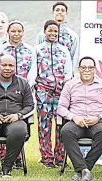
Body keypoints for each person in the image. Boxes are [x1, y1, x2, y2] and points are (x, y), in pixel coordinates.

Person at [0, 19, 38, 168]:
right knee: (2, 121)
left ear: (23, 33)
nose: (16, 34)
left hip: (22, 92)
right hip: (2, 91)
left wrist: (26, 87)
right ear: (8, 32)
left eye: (19, 31)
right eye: (13, 31)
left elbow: (33, 70)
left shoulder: (30, 50)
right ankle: (1, 157)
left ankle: (16, 158)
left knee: (19, 124)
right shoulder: (1, 49)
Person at [57, 56, 102, 181]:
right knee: (65, 131)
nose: (87, 70)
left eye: (90, 67)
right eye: (84, 67)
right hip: (76, 121)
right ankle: (84, 170)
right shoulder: (70, 85)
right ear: (79, 69)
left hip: (96, 122)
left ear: (95, 69)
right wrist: (74, 117)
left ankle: (82, 169)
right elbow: (61, 108)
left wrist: (98, 118)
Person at [34, 20, 73, 168]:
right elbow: (34, 69)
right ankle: (46, 158)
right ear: (44, 32)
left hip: (61, 93)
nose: (53, 33)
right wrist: (37, 86)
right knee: (44, 125)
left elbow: (68, 71)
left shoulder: (64, 50)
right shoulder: (37, 50)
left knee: (61, 126)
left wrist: (65, 84)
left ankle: (60, 157)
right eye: (50, 30)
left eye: (55, 31)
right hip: (43, 92)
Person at [36, 2, 79, 69]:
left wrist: (71, 72)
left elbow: (74, 56)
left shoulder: (72, 36)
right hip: (45, 73)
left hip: (64, 73)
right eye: (57, 10)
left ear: (66, 13)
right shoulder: (42, 34)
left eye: (62, 10)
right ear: (53, 12)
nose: (60, 12)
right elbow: (37, 54)